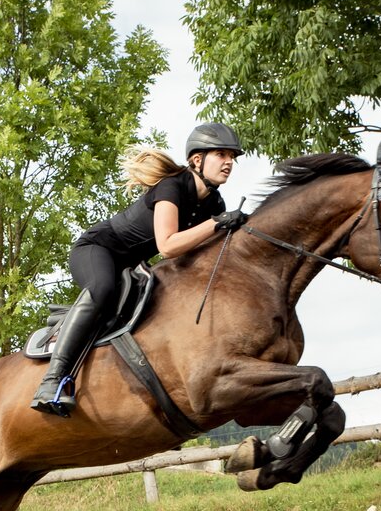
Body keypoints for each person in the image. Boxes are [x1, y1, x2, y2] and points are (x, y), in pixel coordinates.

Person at [31, 122, 247, 417]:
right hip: (98, 250)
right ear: (197, 160)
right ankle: (52, 380)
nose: (228, 162)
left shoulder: (214, 202)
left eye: (232, 157)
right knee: (102, 289)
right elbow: (168, 245)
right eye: (221, 154)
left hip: (133, 268)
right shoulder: (172, 186)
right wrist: (217, 223)